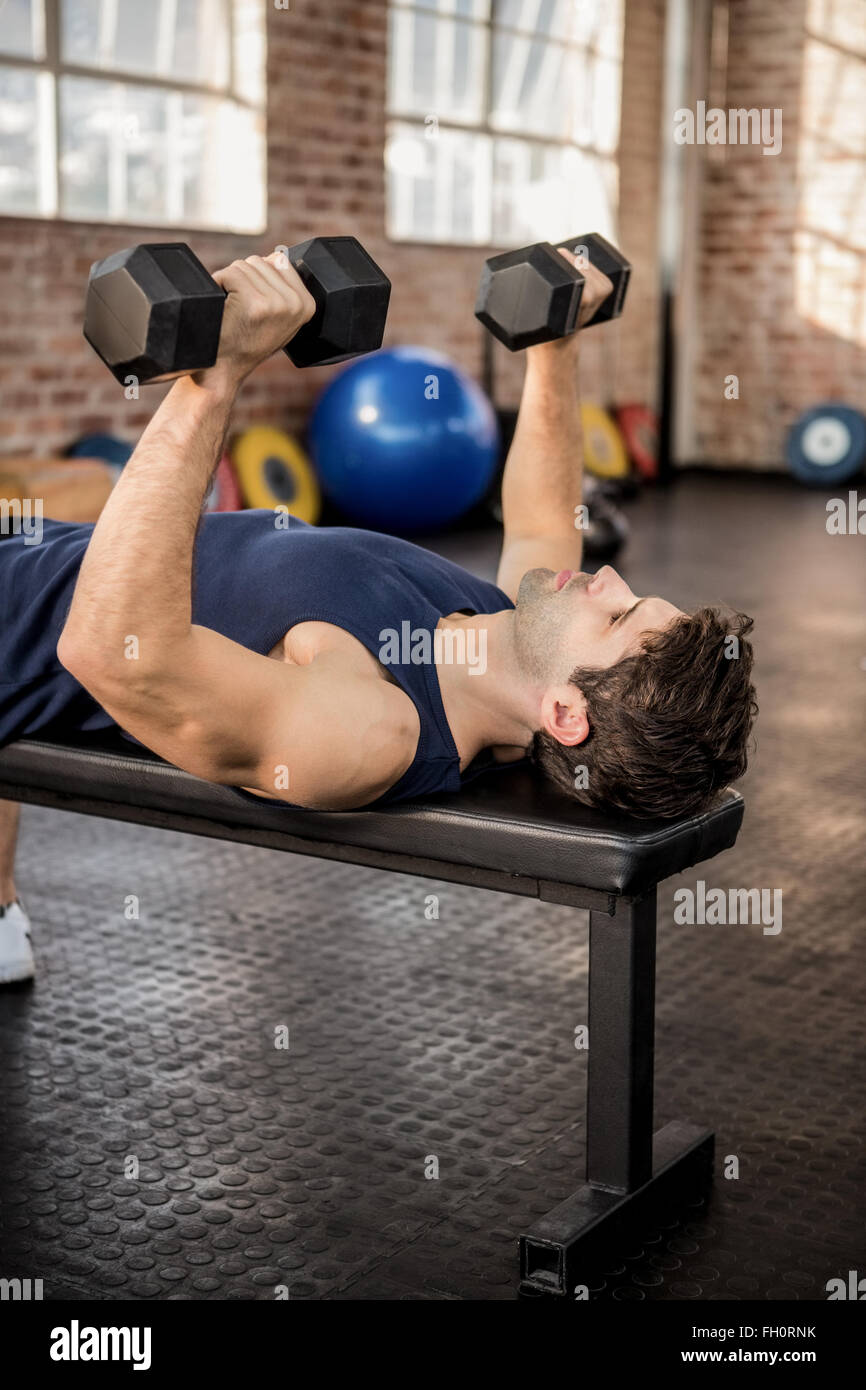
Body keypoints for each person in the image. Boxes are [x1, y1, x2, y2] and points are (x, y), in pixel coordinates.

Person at [0, 249, 756, 982]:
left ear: (564, 714)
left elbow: (112, 652)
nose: (610, 576)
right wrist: (554, 344)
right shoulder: (498, 624)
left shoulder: (373, 729)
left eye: (618, 618)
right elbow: (540, 517)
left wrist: (217, 376)